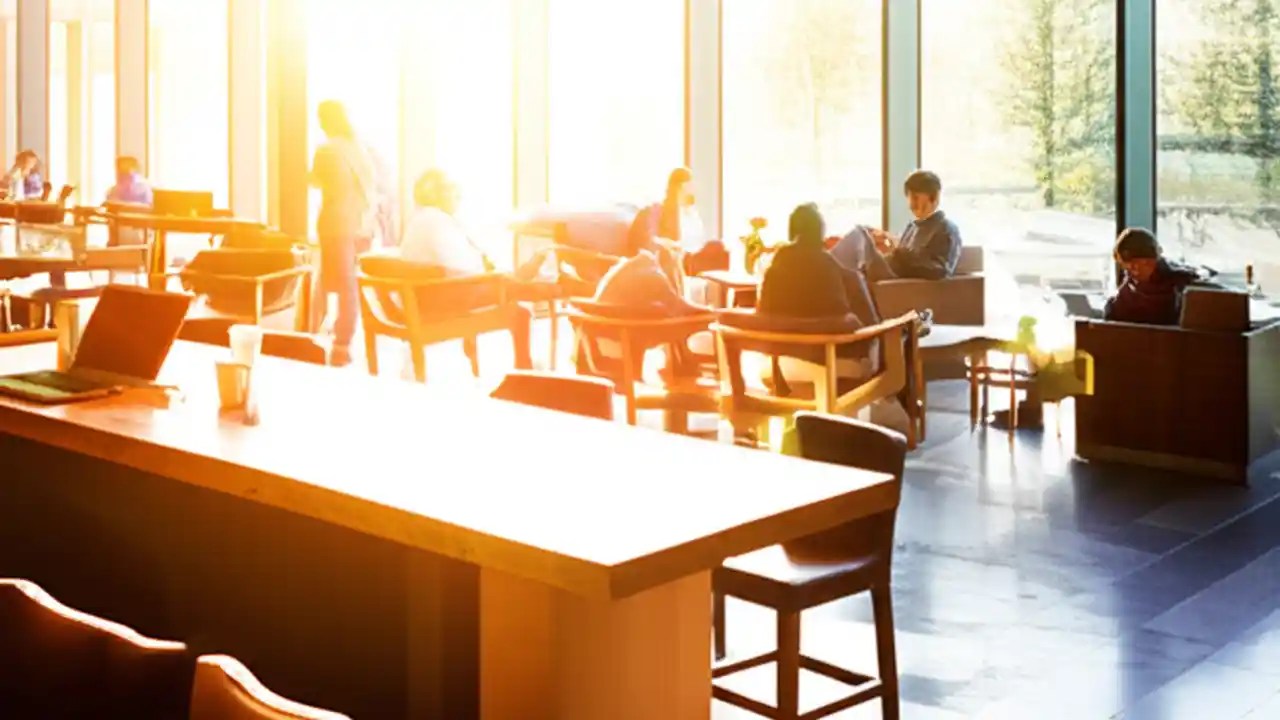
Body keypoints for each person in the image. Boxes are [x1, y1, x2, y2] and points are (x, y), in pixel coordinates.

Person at [755, 203, 909, 432]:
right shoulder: (829, 267)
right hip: (828, 359)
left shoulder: (773, 267)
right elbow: (845, 321)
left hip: (778, 365)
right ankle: (901, 417)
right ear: (820, 233)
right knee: (896, 335)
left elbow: (762, 315)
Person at [401, 169, 553, 370]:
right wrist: (490, 273)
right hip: (444, 299)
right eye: (452, 190)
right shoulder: (435, 221)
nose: (458, 196)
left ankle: (528, 281)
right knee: (521, 300)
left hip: (430, 296)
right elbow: (462, 268)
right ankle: (543, 286)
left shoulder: (422, 220)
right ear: (436, 194)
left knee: (516, 293)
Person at [309, 100, 377, 367]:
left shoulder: (327, 150)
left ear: (324, 120)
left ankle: (323, 337)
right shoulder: (359, 149)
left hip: (336, 222)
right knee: (347, 281)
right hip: (360, 224)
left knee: (330, 280)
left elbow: (319, 181)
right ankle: (341, 338)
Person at [854, 170, 963, 282]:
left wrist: (897, 250)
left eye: (916, 198)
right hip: (893, 284)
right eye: (910, 198)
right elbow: (902, 261)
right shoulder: (912, 228)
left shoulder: (946, 229)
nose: (911, 205)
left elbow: (939, 271)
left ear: (934, 197)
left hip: (909, 291)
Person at [1104, 227, 1215, 325]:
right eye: (1128, 268)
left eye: (1136, 265)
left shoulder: (1182, 282)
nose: (1134, 271)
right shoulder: (1128, 287)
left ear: (1153, 260)